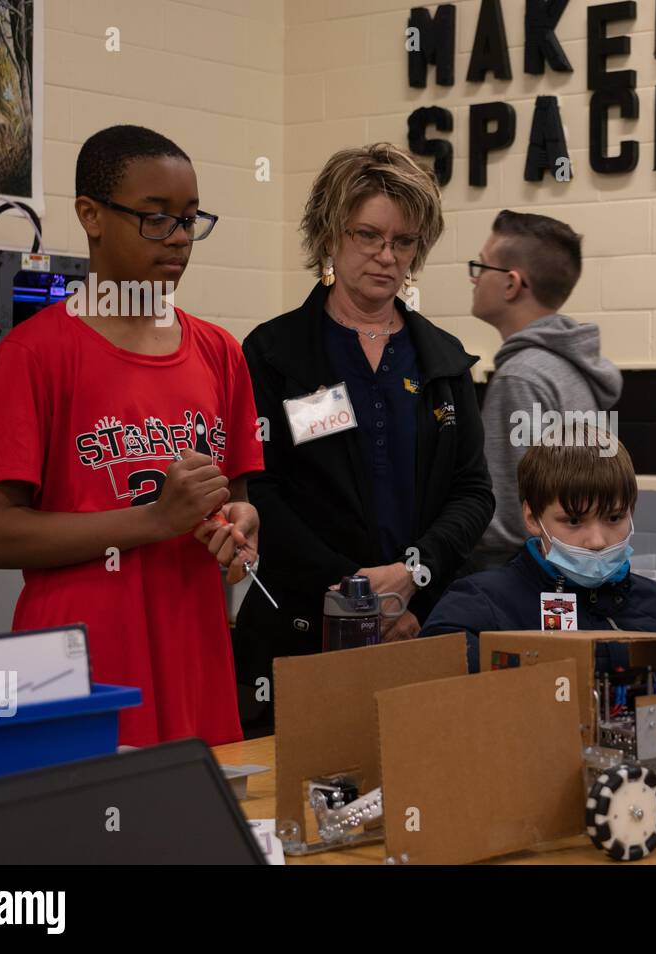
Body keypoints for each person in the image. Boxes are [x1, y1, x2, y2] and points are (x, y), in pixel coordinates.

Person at [0, 124, 263, 746]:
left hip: (194, 655)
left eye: (190, 219)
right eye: (155, 220)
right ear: (90, 215)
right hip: (82, 665)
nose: (179, 239)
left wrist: (240, 526)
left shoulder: (220, 353)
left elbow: (232, 501)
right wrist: (154, 520)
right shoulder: (35, 354)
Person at [233, 143, 493, 732]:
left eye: (403, 243)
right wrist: (361, 600)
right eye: (368, 236)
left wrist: (412, 575)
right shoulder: (275, 355)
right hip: (299, 635)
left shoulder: (443, 362)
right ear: (329, 234)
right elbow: (261, 491)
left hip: (420, 625)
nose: (386, 257)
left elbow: (474, 492)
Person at [420, 432, 656, 671]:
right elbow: (430, 687)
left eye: (614, 518)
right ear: (533, 518)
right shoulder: (480, 605)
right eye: (573, 521)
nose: (596, 540)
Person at [466, 210, 621, 573]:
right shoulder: (572, 368)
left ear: (511, 283)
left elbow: (510, 519)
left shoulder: (520, 377)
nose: (474, 280)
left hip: (520, 580)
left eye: (481, 266)